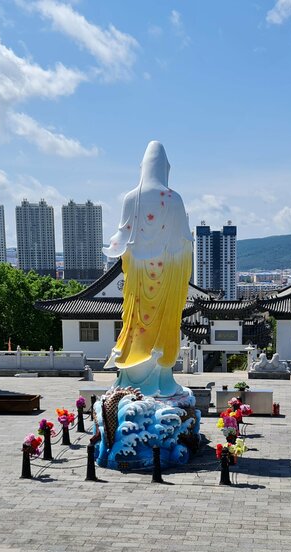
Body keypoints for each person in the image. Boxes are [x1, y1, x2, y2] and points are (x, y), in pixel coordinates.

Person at [103, 141, 193, 398]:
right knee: (164, 323)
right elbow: (185, 244)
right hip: (167, 275)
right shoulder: (174, 199)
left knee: (134, 325)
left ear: (143, 167)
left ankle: (131, 378)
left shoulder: (132, 197)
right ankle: (160, 381)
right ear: (165, 168)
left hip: (139, 277)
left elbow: (121, 239)